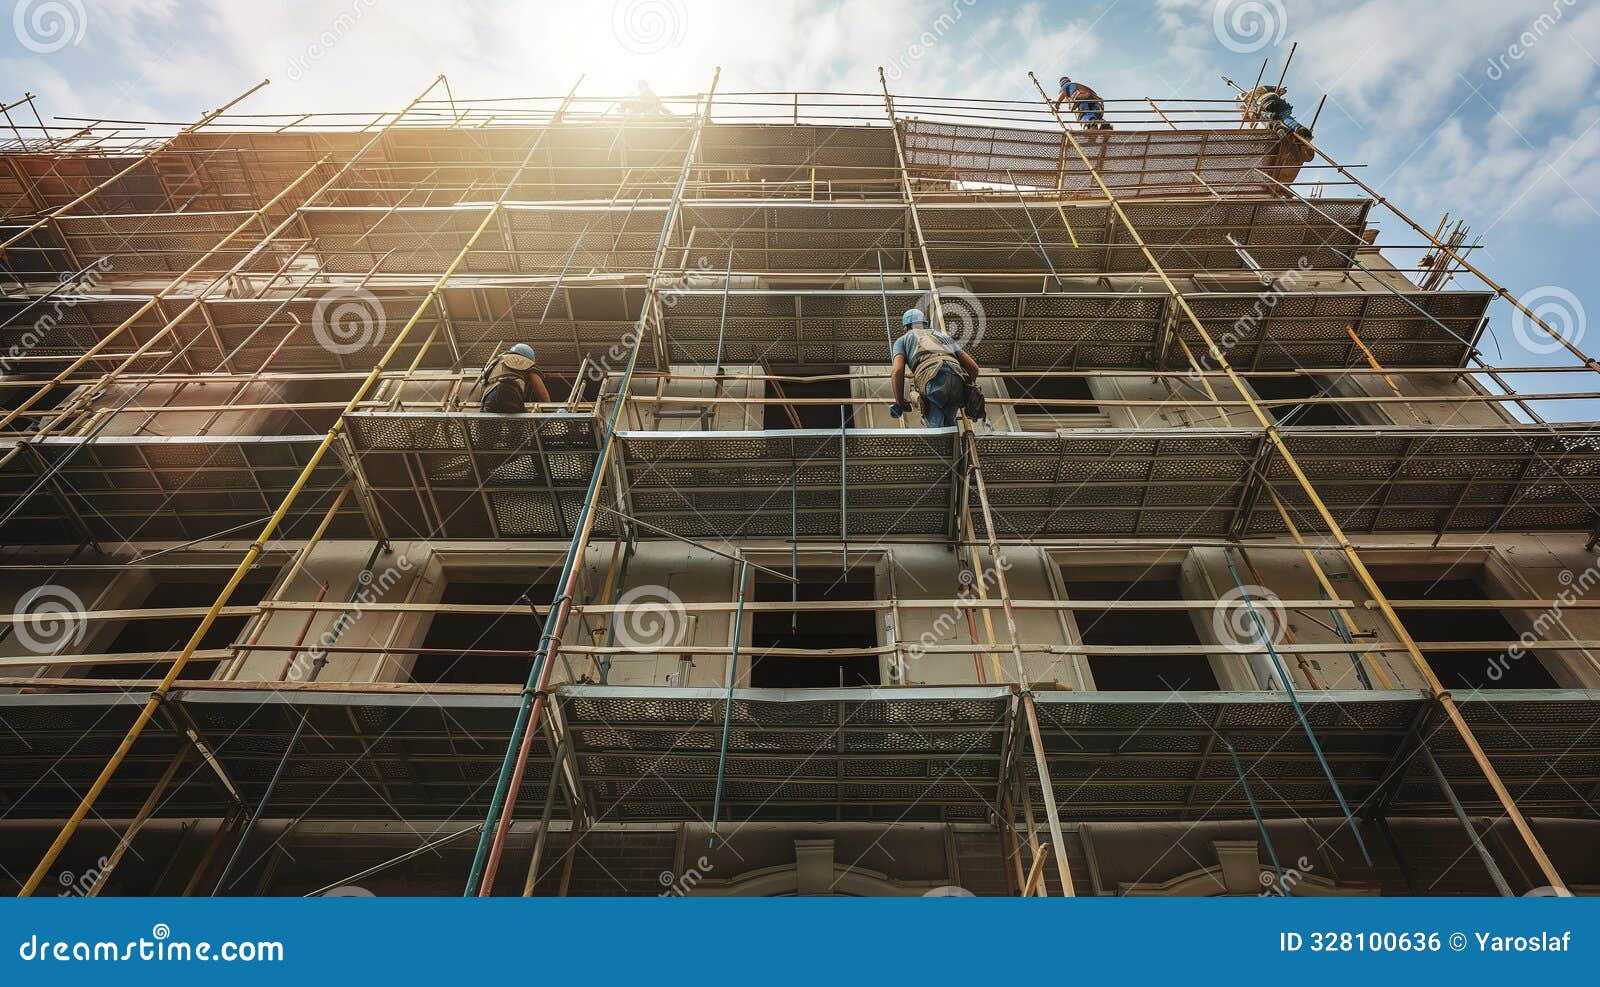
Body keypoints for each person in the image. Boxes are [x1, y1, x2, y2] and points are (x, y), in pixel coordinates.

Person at [889, 308, 981, 428]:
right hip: (957, 378)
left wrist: (899, 402)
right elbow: (973, 368)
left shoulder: (903, 340)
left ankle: (941, 443)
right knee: (950, 423)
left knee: (935, 424)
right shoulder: (944, 337)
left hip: (931, 380)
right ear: (925, 323)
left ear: (906, 327)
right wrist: (967, 389)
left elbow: (897, 371)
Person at [479, 343, 551, 413]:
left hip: (490, 396)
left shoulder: (496, 361)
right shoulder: (526, 362)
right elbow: (543, 394)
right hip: (510, 394)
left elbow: (483, 386)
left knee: (488, 423)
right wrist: (548, 411)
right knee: (517, 424)